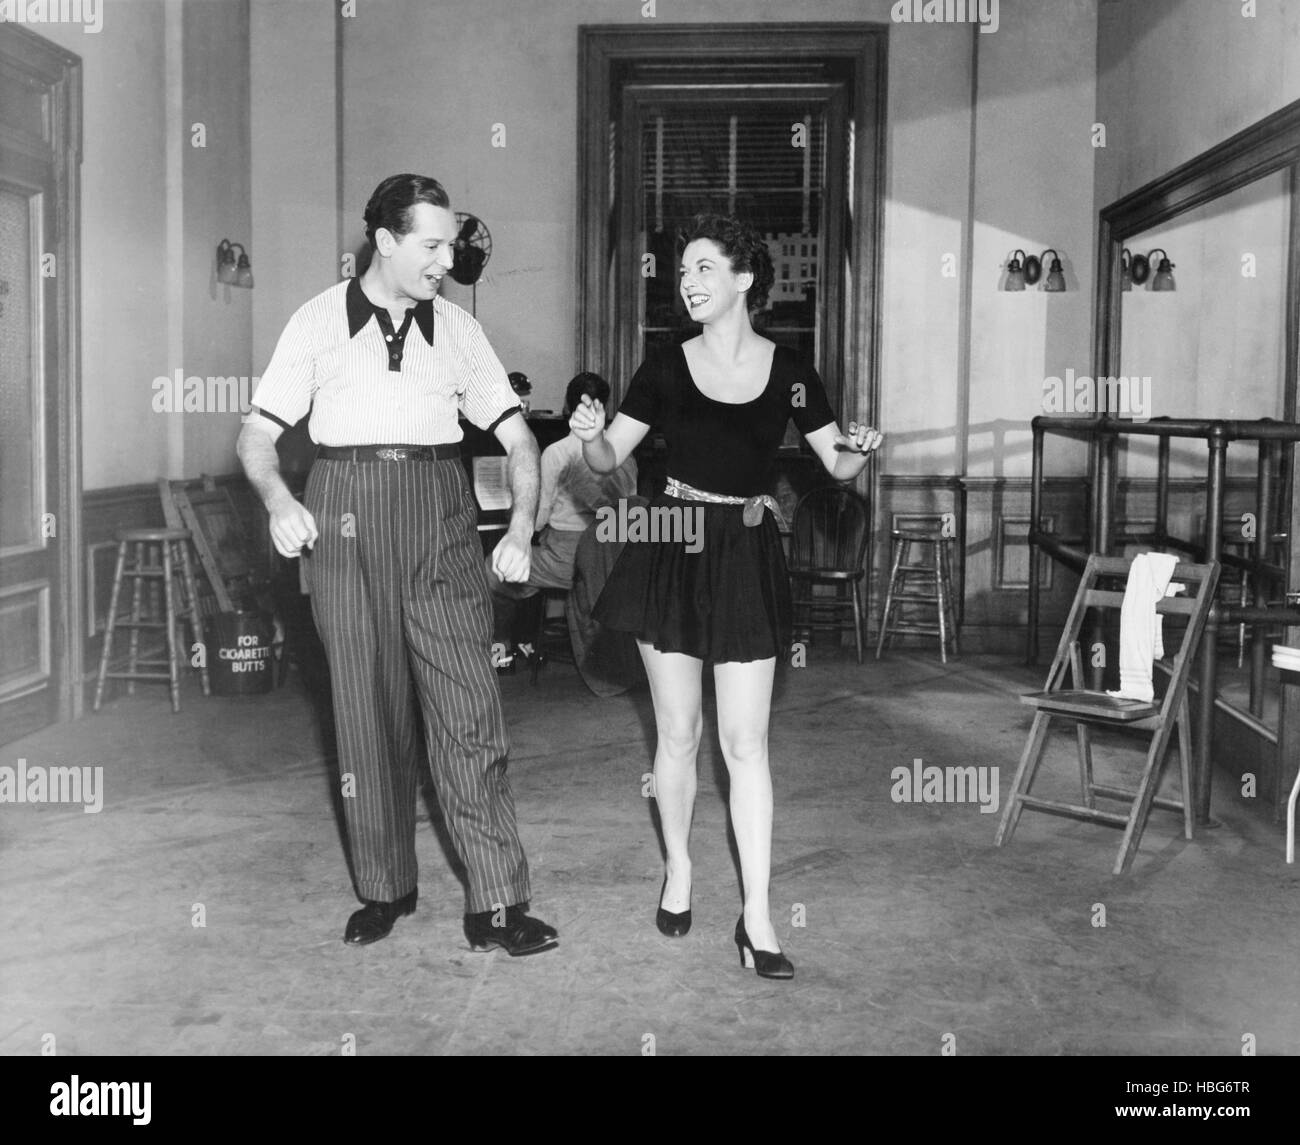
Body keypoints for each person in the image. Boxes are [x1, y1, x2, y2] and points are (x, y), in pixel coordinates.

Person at [236, 173, 558, 956]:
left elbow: (519, 442)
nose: (449, 259)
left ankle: (496, 901)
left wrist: (519, 526)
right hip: (343, 512)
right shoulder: (316, 321)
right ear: (384, 241)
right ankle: (385, 887)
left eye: (452, 244)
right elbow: (256, 436)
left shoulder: (458, 329)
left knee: (468, 707)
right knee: (365, 710)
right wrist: (280, 501)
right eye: (433, 244)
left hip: (440, 513)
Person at [570, 213, 882, 980]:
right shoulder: (663, 365)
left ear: (745, 279)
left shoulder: (793, 370)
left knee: (746, 744)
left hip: (745, 550)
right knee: (677, 733)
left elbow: (835, 464)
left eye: (705, 268)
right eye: (682, 272)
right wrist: (586, 434)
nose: (689, 282)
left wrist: (858, 451)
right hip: (672, 540)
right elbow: (614, 450)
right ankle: (678, 867)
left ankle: (759, 917)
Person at [488, 372, 638, 660]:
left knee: (494, 572)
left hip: (568, 561)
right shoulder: (626, 456)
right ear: (604, 408)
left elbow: (538, 519)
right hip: (613, 559)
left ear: (568, 409)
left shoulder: (556, 453)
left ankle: (502, 652)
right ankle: (533, 642)